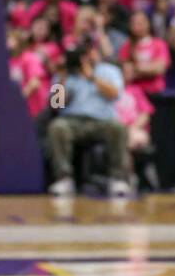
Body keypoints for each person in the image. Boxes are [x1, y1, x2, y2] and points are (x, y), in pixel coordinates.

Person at [46, 43, 130, 196]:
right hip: (73, 121)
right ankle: (64, 179)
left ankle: (119, 179)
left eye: (86, 54)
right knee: (57, 126)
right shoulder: (63, 75)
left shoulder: (109, 70)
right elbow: (55, 105)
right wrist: (62, 77)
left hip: (102, 121)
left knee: (118, 127)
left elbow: (114, 94)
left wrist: (90, 76)